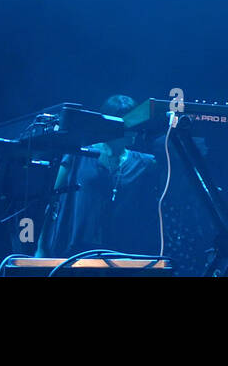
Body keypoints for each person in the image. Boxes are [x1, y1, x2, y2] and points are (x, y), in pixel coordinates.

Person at [37, 94, 163, 259]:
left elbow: (150, 213)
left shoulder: (145, 163)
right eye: (130, 124)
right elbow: (52, 201)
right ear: (110, 124)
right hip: (76, 253)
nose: (135, 130)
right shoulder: (78, 154)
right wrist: (41, 247)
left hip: (123, 255)